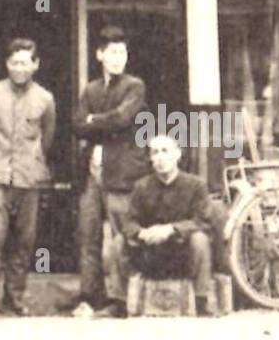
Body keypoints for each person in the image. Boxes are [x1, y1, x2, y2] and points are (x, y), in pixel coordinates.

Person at [0, 37, 56, 320]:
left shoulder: (45, 99)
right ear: (7, 64)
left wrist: (30, 162)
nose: (20, 68)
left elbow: (47, 138)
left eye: (25, 63)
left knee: (23, 241)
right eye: (15, 62)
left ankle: (15, 297)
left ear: (36, 65)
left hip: (28, 180)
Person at [69, 26, 149, 317]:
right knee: (88, 235)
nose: (118, 58)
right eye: (112, 52)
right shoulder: (90, 89)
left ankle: (121, 299)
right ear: (99, 54)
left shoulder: (134, 86)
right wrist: (94, 121)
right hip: (92, 173)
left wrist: (94, 120)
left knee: (121, 237)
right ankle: (90, 296)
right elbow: (77, 124)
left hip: (122, 173)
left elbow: (122, 119)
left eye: (122, 52)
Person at [110, 134, 225, 316]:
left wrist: (171, 230)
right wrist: (141, 233)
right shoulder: (142, 186)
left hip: (182, 256)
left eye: (165, 151)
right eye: (155, 152)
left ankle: (202, 302)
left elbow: (203, 221)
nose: (160, 158)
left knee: (200, 239)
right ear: (150, 158)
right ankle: (118, 304)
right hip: (151, 255)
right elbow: (128, 221)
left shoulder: (195, 185)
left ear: (177, 155)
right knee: (118, 242)